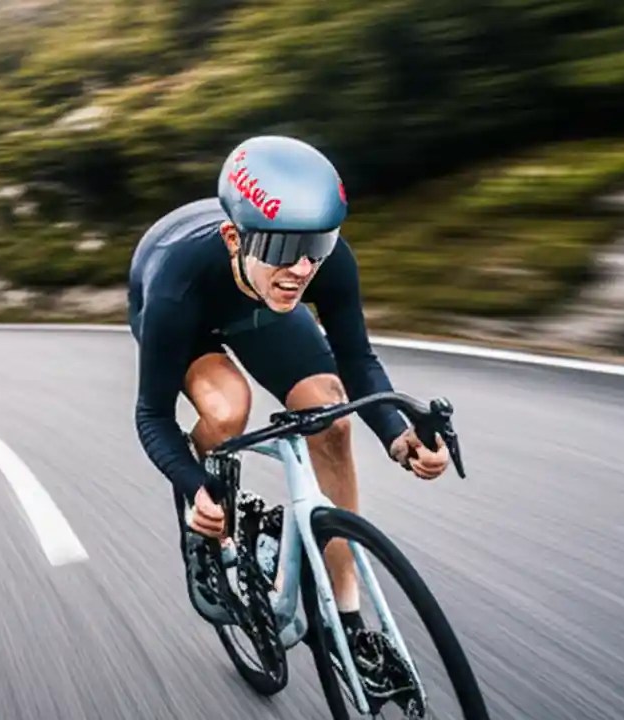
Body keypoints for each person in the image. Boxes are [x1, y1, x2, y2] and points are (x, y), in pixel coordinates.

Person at [126, 135, 451, 656]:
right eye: (283, 249)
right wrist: (191, 484)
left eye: (316, 247)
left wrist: (399, 435)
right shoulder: (175, 282)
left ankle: (346, 619)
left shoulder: (317, 261)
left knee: (332, 414)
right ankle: (209, 525)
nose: (302, 269)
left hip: (255, 303)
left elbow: (358, 361)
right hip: (189, 308)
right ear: (235, 239)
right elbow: (152, 416)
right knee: (228, 407)